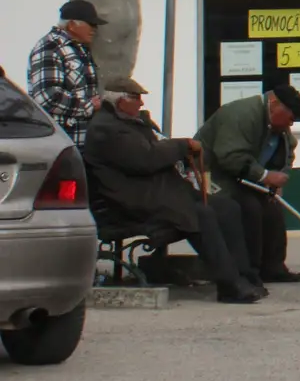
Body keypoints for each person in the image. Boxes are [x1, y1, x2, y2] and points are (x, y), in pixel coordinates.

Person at [83, 80, 262, 303]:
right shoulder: (106, 129)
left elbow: (155, 149)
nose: (141, 103)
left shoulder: (132, 121)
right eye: (136, 98)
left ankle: (246, 276)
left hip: (158, 194)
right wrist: (182, 146)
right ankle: (230, 285)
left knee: (226, 207)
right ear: (121, 101)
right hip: (131, 202)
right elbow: (146, 158)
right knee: (200, 214)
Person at [195, 83, 300, 284]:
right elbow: (229, 156)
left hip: (246, 177)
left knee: (273, 210)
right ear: (274, 104)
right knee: (250, 208)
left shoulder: (278, 127)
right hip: (215, 176)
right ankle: (249, 270)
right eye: (290, 117)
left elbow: (288, 151)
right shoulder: (241, 114)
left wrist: (279, 177)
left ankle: (273, 267)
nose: (291, 124)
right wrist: (264, 176)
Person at [27, 0, 103, 146]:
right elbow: (47, 97)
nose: (95, 29)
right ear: (72, 25)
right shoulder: (49, 46)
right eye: (91, 24)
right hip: (61, 145)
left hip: (81, 145)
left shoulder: (79, 49)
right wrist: (88, 107)